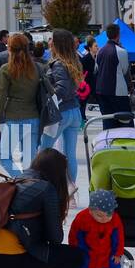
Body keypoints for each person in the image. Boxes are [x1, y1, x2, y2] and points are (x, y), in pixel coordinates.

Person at [40, 28, 84, 195]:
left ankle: (41, 186)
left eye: (51, 39)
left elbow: (61, 89)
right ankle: (70, 188)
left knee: (43, 151)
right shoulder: (73, 61)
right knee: (69, 154)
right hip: (74, 111)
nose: (49, 42)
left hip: (62, 113)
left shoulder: (58, 63)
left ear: (58, 43)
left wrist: (49, 102)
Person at [0, 33, 44, 178]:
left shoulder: (6, 69)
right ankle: (30, 185)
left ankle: (22, 181)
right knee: (29, 160)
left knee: (4, 156)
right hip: (34, 116)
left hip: (13, 117)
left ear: (10, 49)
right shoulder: (37, 68)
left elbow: (0, 98)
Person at [67, 188, 126, 268]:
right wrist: (76, 251)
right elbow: (74, 235)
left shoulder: (115, 219)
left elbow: (118, 238)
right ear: (91, 210)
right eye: (99, 215)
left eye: (108, 216)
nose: (104, 219)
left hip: (107, 253)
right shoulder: (82, 218)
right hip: (87, 252)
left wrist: (118, 253)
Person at [93, 24, 132, 126]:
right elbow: (124, 70)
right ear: (118, 35)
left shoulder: (100, 51)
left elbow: (97, 68)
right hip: (117, 91)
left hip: (101, 90)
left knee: (107, 121)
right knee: (125, 121)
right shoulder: (121, 51)